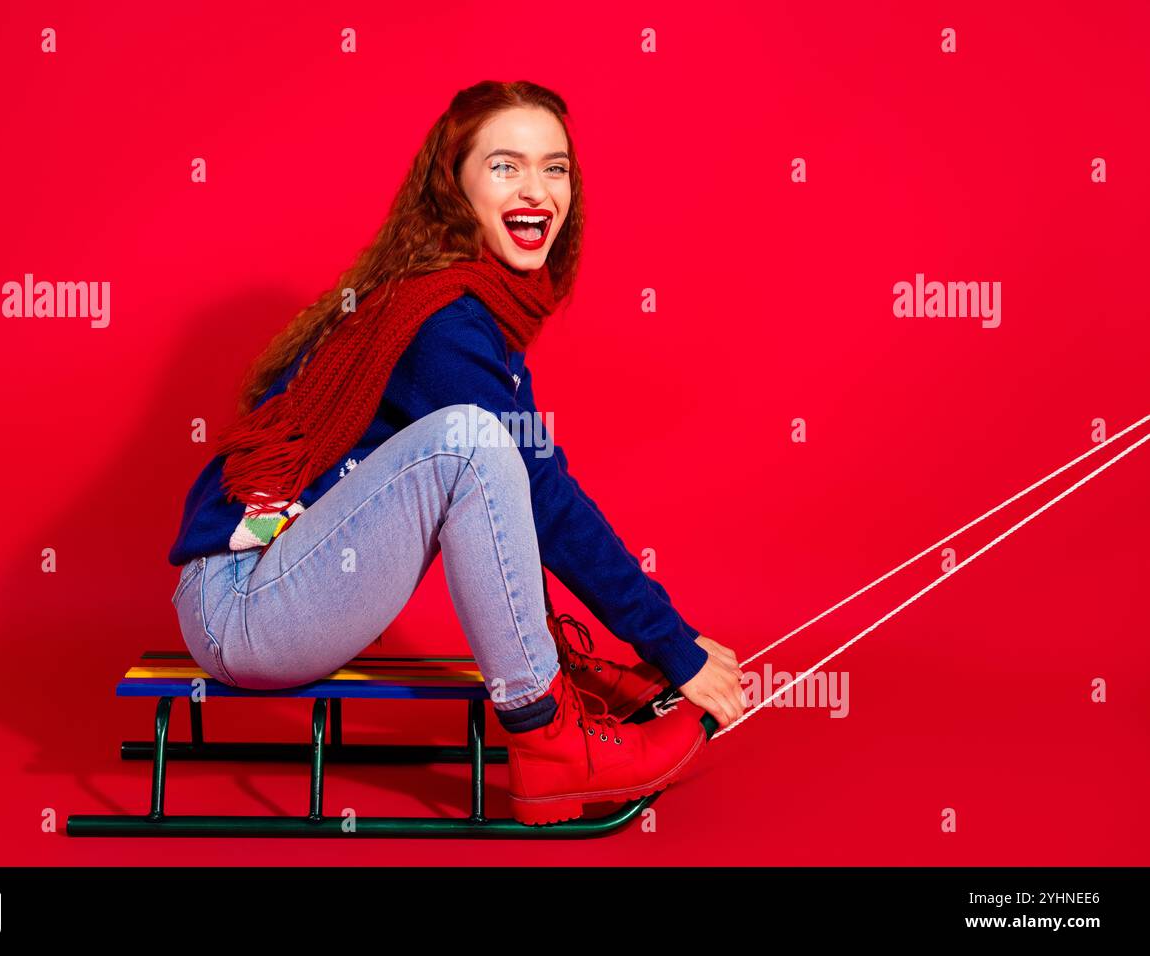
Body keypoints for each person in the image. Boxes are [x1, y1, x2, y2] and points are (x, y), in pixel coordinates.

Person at [167, 80, 747, 825]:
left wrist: (659, 642)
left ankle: (557, 674)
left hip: (267, 590)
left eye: (555, 167)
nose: (537, 188)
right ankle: (547, 736)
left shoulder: (472, 302)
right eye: (505, 166)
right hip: (244, 609)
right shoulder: (445, 324)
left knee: (488, 453)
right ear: (454, 184)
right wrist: (675, 645)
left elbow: (523, 494)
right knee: (475, 442)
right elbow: (545, 499)